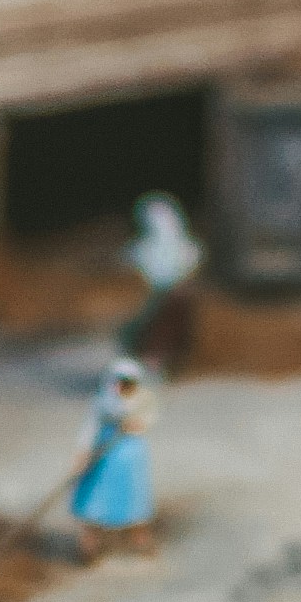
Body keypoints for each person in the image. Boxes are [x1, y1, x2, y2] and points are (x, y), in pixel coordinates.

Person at [53, 356, 162, 559]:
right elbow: (89, 426)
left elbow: (149, 416)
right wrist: (82, 452)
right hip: (104, 454)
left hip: (131, 454)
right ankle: (90, 544)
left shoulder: (142, 399)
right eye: (119, 381)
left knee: (132, 496)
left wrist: (137, 425)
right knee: (96, 495)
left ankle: (140, 539)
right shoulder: (102, 401)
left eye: (127, 382)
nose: (122, 386)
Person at [123, 188, 206, 372]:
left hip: (168, 299)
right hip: (148, 302)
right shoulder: (139, 251)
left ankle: (158, 359)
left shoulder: (188, 250)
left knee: (172, 309)